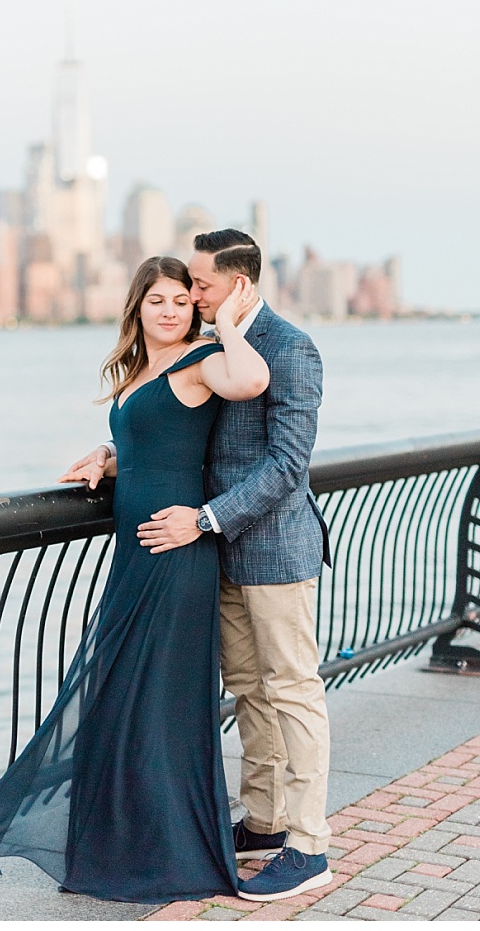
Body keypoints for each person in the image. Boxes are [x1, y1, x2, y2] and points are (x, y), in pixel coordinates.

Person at [0, 254, 268, 902]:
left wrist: (229, 323)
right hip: (135, 552)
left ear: (194, 307)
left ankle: (170, 850)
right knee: (124, 694)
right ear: (138, 306)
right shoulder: (137, 371)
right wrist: (108, 456)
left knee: (158, 700)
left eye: (182, 300)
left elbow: (252, 381)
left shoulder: (202, 360)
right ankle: (128, 838)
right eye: (157, 300)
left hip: (176, 551)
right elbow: (154, 445)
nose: (171, 310)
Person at [122, 229, 333, 902]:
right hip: (216, 554)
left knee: (293, 689)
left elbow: (285, 467)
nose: (194, 297)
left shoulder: (290, 348)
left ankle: (307, 842)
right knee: (248, 688)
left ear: (239, 285)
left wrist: (205, 518)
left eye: (203, 287)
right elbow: (181, 428)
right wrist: (111, 458)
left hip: (270, 548)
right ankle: (266, 820)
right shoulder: (210, 347)